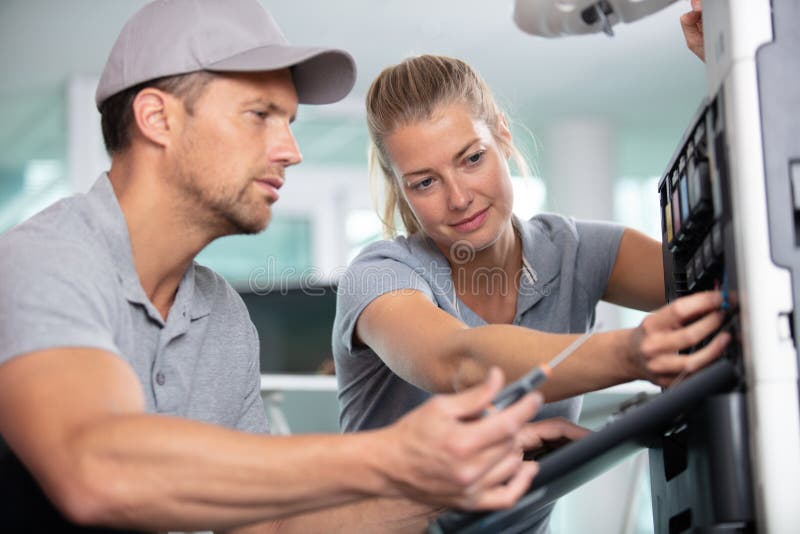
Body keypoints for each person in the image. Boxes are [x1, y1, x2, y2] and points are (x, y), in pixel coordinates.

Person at [0, 1, 586, 532]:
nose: (291, 150)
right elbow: (97, 468)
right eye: (260, 115)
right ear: (158, 118)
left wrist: (453, 480)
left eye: (289, 122)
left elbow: (268, 529)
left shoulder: (221, 316)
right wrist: (392, 454)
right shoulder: (45, 259)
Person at [331, 52, 728, 531]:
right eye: (425, 182)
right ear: (400, 186)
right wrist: (631, 353)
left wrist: (726, 66)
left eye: (472, 158)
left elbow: (732, 265)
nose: (458, 198)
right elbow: (459, 362)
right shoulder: (379, 275)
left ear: (502, 134)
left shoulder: (576, 252)